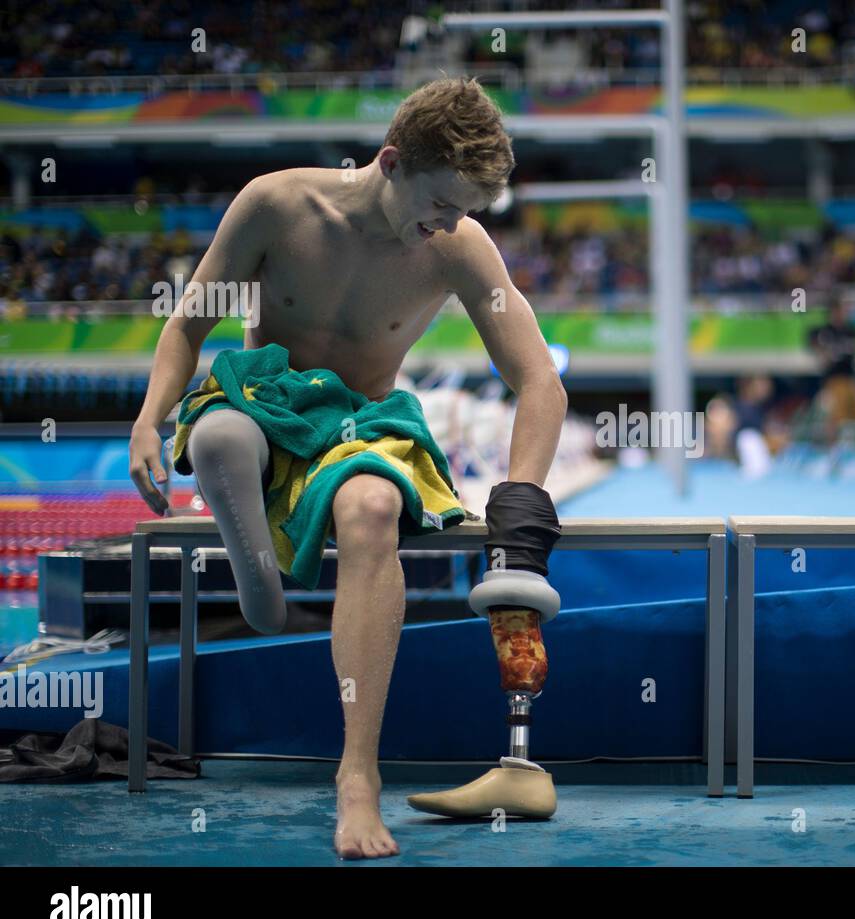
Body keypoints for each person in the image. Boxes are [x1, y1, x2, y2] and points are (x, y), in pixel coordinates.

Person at [128, 77, 567, 860]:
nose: (449, 227)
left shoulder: (461, 247)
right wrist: (149, 420)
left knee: (370, 508)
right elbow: (187, 328)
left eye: (464, 213)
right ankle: (252, 551)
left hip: (361, 425)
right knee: (228, 421)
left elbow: (540, 381)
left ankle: (356, 777)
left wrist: (522, 500)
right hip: (265, 402)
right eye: (440, 206)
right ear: (391, 161)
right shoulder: (274, 205)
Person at [805, 295, 855, 444]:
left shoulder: (851, 330)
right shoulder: (824, 332)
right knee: (834, 416)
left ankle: (854, 444)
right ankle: (832, 446)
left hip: (849, 378)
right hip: (833, 381)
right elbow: (818, 351)